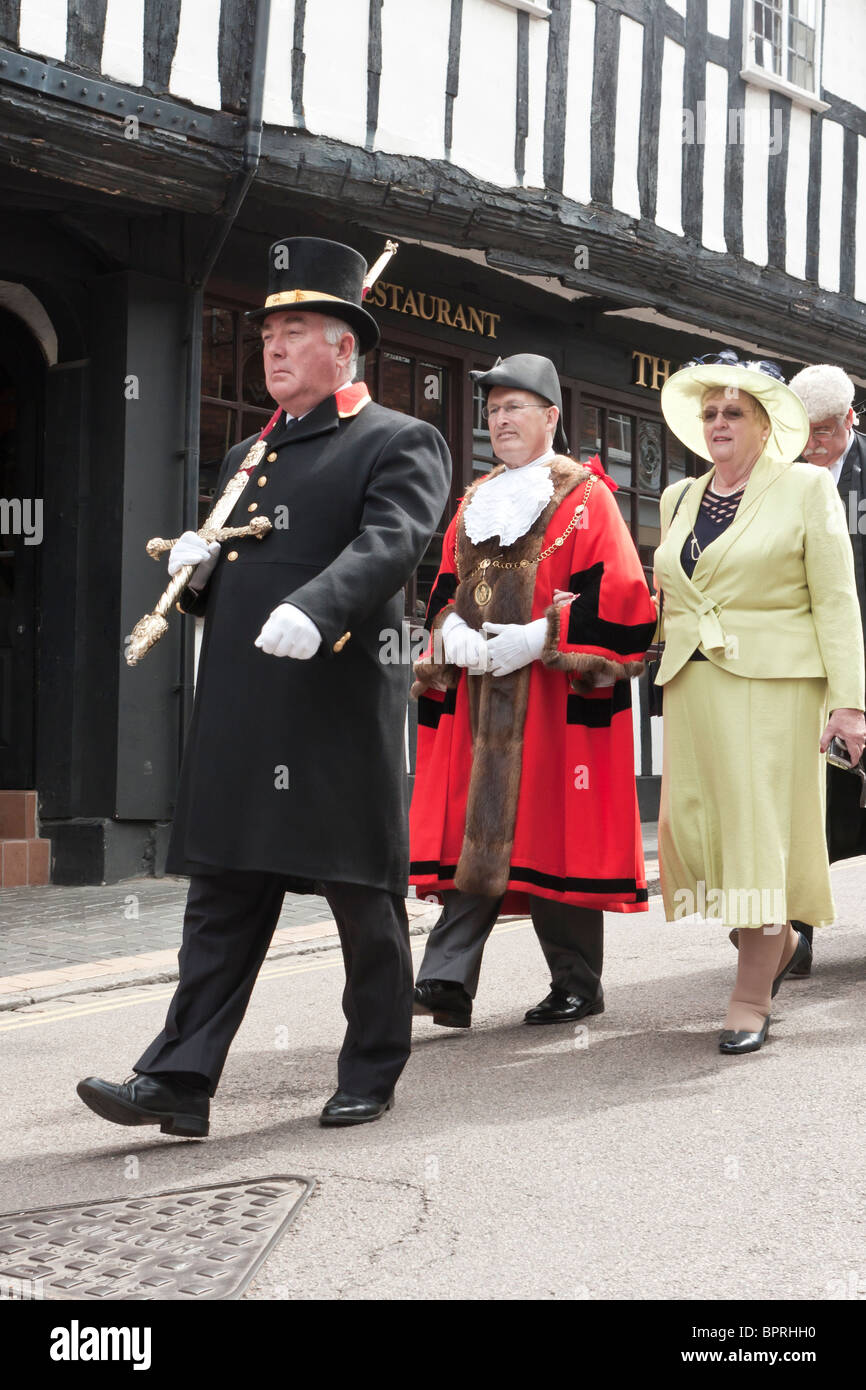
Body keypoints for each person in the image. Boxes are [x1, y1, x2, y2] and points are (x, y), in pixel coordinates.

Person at [77, 237, 451, 1133]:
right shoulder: (251, 450)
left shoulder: (399, 439)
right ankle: (179, 1080)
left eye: (297, 331)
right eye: (268, 335)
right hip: (245, 705)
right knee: (222, 899)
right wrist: (203, 574)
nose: (274, 349)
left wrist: (320, 606)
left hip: (333, 705)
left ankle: (370, 1067)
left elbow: (393, 541)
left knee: (361, 899)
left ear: (344, 348)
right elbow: (237, 568)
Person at [409, 354, 657, 1029]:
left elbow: (627, 602)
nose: (500, 420)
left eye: (514, 407)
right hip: (482, 696)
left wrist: (545, 634)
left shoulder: (588, 497)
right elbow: (443, 590)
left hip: (553, 704)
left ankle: (578, 984)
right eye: (492, 411)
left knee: (555, 836)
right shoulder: (475, 498)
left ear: (551, 417)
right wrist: (449, 629)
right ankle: (446, 981)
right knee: (477, 833)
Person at [654, 351, 865, 1055]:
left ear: (766, 423)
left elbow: (837, 602)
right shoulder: (678, 499)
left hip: (776, 689)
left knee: (757, 832)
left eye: (732, 411)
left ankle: (750, 995)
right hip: (693, 687)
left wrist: (850, 704)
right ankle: (763, 950)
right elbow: (669, 598)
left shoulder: (807, 488)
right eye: (709, 411)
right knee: (704, 829)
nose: (717, 422)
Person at [785, 364, 866, 972]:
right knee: (804, 803)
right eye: (802, 430)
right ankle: (795, 939)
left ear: (850, 421)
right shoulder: (779, 478)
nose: (812, 442)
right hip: (804, 664)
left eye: (824, 431)